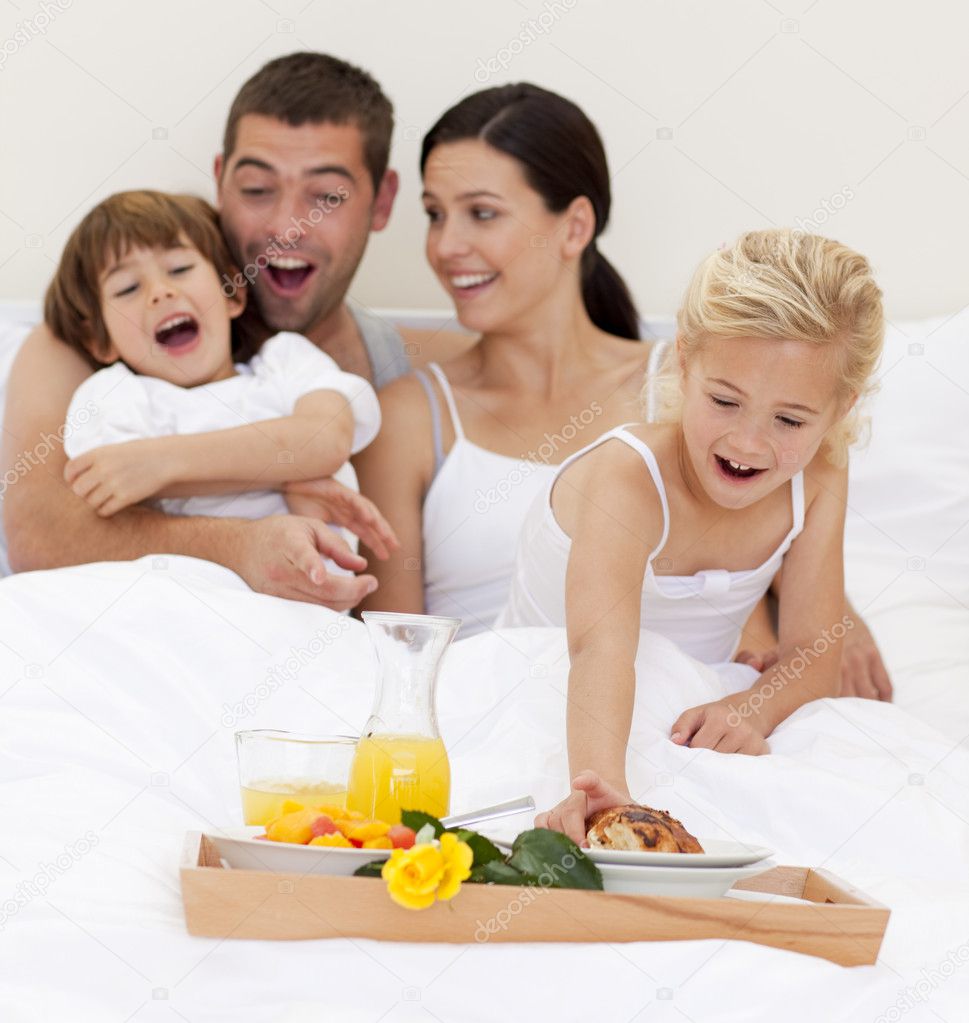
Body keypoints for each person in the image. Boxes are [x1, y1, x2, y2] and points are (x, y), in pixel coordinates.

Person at [0, 51, 462, 607]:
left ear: (383, 201)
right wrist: (245, 543)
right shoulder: (88, 349)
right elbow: (44, 535)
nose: (288, 228)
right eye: (257, 189)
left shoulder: (385, 363)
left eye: (327, 196)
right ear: (220, 182)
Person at [500, 229, 885, 844]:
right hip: (563, 702)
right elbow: (600, 651)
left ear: (840, 409)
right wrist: (600, 788)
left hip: (690, 709)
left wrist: (752, 707)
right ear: (684, 360)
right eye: (725, 401)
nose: (748, 442)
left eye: (789, 419)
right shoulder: (630, 477)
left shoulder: (819, 477)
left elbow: (815, 650)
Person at [355, 83, 656, 638]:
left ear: (574, 227)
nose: (445, 246)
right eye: (435, 214)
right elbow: (399, 663)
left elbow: (740, 617)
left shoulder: (681, 390)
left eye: (482, 213)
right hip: (476, 717)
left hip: (667, 715)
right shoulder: (407, 419)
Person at [47, 190, 384, 589]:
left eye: (178, 268)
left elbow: (324, 439)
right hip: (171, 608)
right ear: (99, 342)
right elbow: (113, 482)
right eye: (127, 289)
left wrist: (161, 462)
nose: (160, 292)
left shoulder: (286, 362)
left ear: (234, 292)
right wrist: (286, 473)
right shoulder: (116, 394)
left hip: (300, 612)